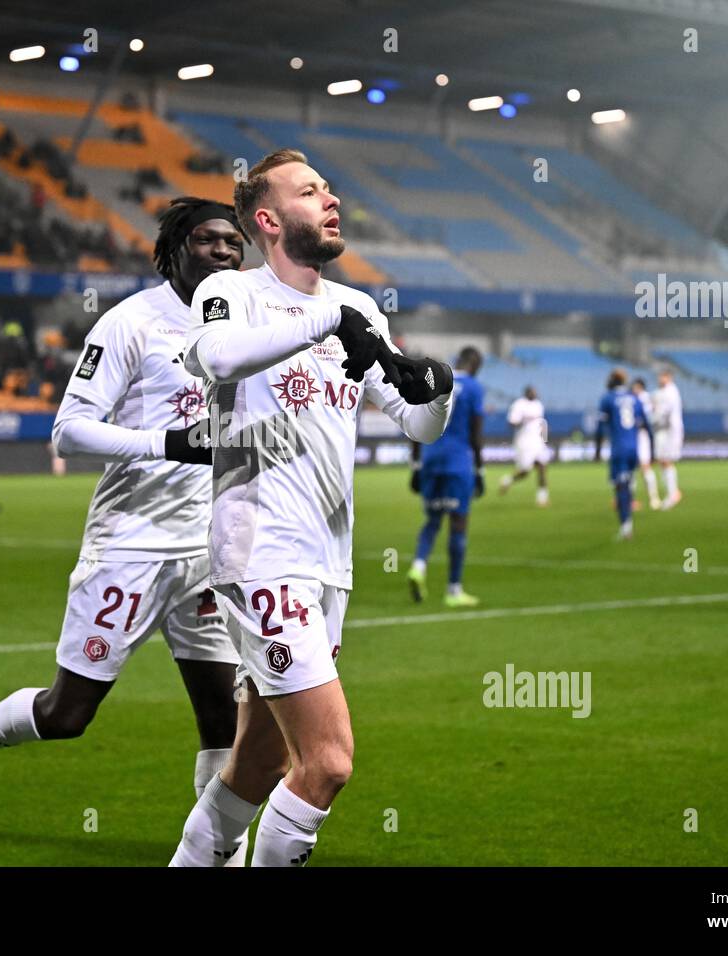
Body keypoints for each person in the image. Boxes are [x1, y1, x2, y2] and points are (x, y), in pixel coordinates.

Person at [0, 198, 257, 863]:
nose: (224, 252)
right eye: (208, 240)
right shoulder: (131, 323)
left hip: (208, 552)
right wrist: (166, 444)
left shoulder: (243, 326)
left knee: (223, 724)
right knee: (68, 715)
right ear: (175, 249)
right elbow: (68, 430)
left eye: (234, 243)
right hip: (131, 544)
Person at [166, 148, 455, 866]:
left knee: (259, 764)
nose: (331, 199)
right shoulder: (231, 291)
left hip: (328, 567)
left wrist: (438, 390)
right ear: (267, 220)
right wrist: (324, 322)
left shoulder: (357, 308)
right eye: (309, 192)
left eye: (329, 188)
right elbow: (220, 357)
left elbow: (416, 424)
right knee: (327, 761)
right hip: (262, 555)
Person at [408, 347, 485, 607]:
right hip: (457, 463)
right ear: (475, 364)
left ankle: (418, 567)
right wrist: (480, 470)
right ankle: (453, 590)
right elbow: (475, 435)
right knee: (458, 523)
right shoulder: (473, 388)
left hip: (430, 460)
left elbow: (415, 423)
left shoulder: (435, 379)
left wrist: (416, 466)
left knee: (432, 521)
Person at [595, 368, 653, 541]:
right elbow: (647, 426)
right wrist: (653, 451)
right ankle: (628, 516)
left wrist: (597, 451)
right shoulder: (635, 398)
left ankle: (626, 527)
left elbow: (600, 429)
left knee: (620, 486)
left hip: (619, 449)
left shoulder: (608, 398)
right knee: (627, 482)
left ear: (613, 380)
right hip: (634, 448)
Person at [498, 385, 550, 506]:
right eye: (533, 391)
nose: (535, 393)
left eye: (536, 391)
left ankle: (542, 498)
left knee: (542, 466)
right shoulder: (518, 405)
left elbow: (542, 423)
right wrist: (522, 421)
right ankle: (507, 480)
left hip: (537, 441)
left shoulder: (538, 405)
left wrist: (545, 438)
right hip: (524, 442)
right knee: (525, 472)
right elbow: (511, 422)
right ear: (527, 393)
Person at [653, 369, 684, 509]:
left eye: (663, 376)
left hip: (670, 431)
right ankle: (672, 492)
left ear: (669, 377)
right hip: (663, 430)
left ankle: (673, 494)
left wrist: (653, 417)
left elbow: (664, 411)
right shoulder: (663, 392)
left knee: (666, 460)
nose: (660, 379)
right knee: (662, 460)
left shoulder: (671, 392)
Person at [631, 378, 661, 511]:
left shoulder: (643, 398)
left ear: (640, 387)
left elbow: (647, 419)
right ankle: (632, 500)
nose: (634, 390)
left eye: (636, 387)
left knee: (644, 467)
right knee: (635, 468)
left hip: (641, 435)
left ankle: (654, 498)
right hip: (636, 435)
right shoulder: (639, 399)